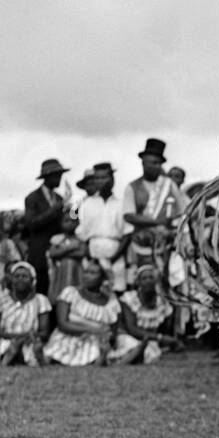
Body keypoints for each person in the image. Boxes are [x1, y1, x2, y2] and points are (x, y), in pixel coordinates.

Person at [122, 139, 185, 285]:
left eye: (159, 163)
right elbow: (129, 215)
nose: (156, 166)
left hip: (166, 246)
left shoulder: (169, 186)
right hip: (141, 247)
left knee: (166, 283)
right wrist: (156, 222)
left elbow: (181, 211)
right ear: (144, 163)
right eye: (153, 163)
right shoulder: (132, 187)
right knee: (143, 283)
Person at [45, 260, 120, 366]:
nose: (87, 276)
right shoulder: (70, 293)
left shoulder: (111, 302)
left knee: (98, 351)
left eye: (93, 273)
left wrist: (105, 336)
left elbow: (112, 331)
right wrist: (92, 329)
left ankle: (100, 358)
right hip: (68, 336)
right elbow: (62, 324)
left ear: (103, 278)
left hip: (96, 341)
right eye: (86, 272)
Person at [110, 262, 180, 363]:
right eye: (144, 278)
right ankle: (130, 357)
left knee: (151, 353)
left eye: (151, 277)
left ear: (156, 280)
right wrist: (161, 338)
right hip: (128, 337)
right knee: (133, 345)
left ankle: (135, 356)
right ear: (138, 282)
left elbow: (165, 328)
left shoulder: (162, 303)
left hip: (151, 340)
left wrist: (167, 340)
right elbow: (132, 329)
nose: (148, 281)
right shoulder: (129, 299)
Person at [76, 163, 128, 293]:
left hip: (115, 251)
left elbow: (127, 234)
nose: (100, 182)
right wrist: (90, 256)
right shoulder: (86, 204)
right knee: (93, 291)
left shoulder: (121, 204)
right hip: (93, 253)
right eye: (97, 178)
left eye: (104, 177)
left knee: (116, 291)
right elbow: (82, 234)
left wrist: (114, 257)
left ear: (112, 180)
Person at [23, 158, 70, 296]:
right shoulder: (32, 198)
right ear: (47, 177)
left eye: (60, 175)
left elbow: (69, 222)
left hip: (58, 254)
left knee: (57, 292)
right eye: (57, 176)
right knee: (40, 292)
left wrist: (74, 209)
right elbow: (32, 224)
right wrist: (54, 210)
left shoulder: (60, 198)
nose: (60, 179)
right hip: (39, 255)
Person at [0, 260, 52, 366]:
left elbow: (44, 332)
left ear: (32, 280)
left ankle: (29, 357)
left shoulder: (41, 300)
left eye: (24, 276)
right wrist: (15, 338)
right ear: (11, 280)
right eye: (17, 276)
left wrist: (25, 338)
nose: (20, 279)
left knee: (34, 348)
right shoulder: (2, 300)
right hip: (7, 340)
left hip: (30, 340)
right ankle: (10, 354)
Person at [47, 210, 86, 296]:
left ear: (77, 223)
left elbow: (81, 253)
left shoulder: (80, 239)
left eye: (73, 221)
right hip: (60, 272)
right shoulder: (57, 238)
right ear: (61, 223)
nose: (70, 223)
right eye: (66, 221)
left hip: (76, 272)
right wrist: (71, 247)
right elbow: (52, 253)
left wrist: (61, 252)